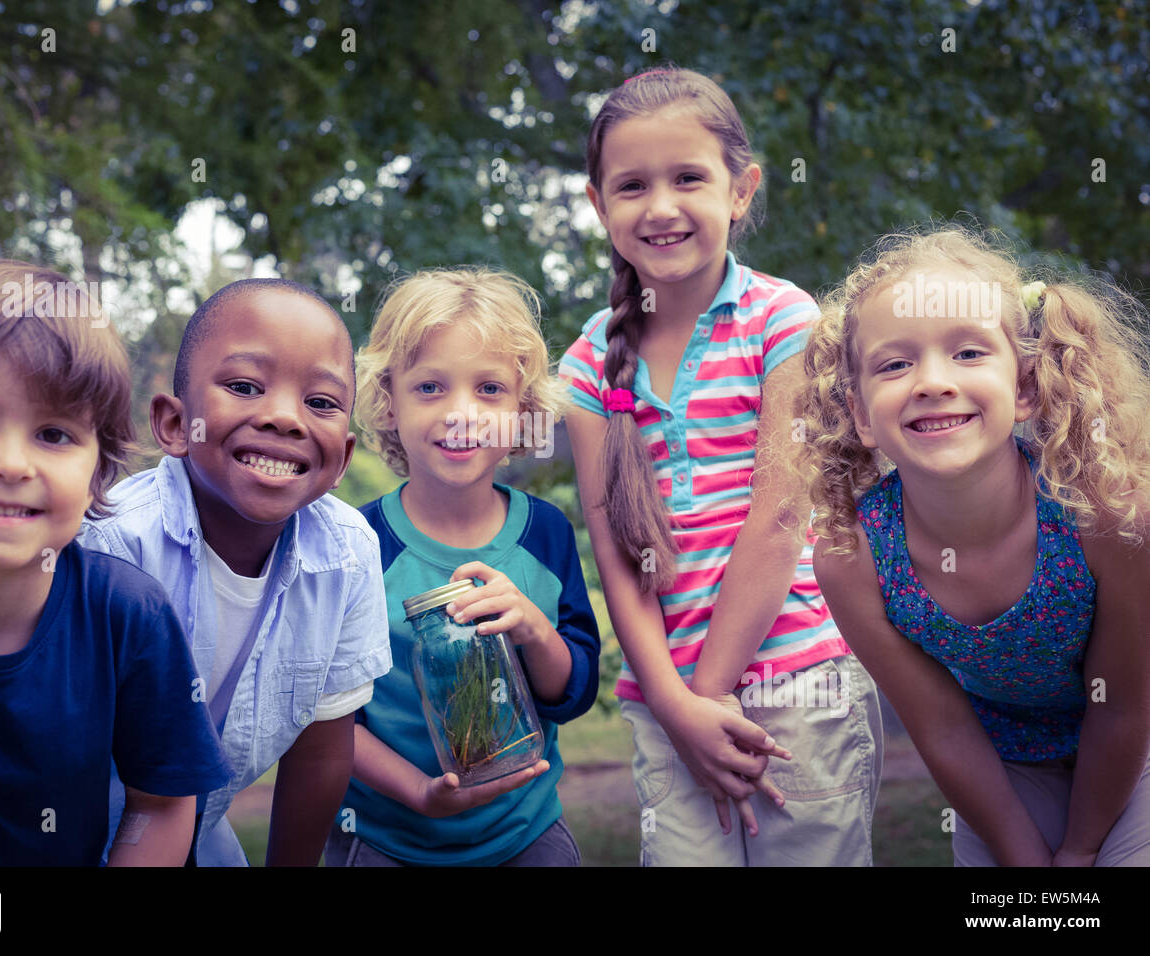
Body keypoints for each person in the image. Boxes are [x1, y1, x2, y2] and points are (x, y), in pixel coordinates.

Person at [559, 67, 883, 866]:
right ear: (599, 206)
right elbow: (616, 554)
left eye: (689, 179)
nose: (661, 207)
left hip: (796, 683)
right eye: (631, 185)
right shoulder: (585, 366)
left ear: (741, 191)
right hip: (666, 706)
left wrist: (705, 699)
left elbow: (780, 519)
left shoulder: (783, 319)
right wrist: (675, 708)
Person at [0, 259, 229, 866]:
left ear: (97, 471)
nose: (11, 464)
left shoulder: (127, 612)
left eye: (53, 435)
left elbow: (160, 802)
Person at [799, 226, 1150, 866]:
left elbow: (1122, 706)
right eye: (895, 364)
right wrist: (1023, 856)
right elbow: (943, 728)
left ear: (1024, 388)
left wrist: (1076, 853)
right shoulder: (852, 557)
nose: (933, 381)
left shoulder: (1104, 515)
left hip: (1137, 741)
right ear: (858, 412)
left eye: (967, 353)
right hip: (1005, 760)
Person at [78, 277, 391, 866]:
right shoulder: (110, 545)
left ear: (343, 456)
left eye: (320, 403)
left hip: (194, 826)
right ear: (174, 424)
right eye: (245, 386)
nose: (283, 417)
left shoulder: (347, 554)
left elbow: (321, 755)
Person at [325, 267, 600, 866]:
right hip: (388, 840)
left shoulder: (547, 533)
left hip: (525, 836)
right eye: (430, 388)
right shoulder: (356, 544)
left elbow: (572, 693)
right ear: (387, 401)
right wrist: (422, 796)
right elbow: (328, 719)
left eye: (489, 390)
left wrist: (531, 629)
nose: (461, 413)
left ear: (523, 408)